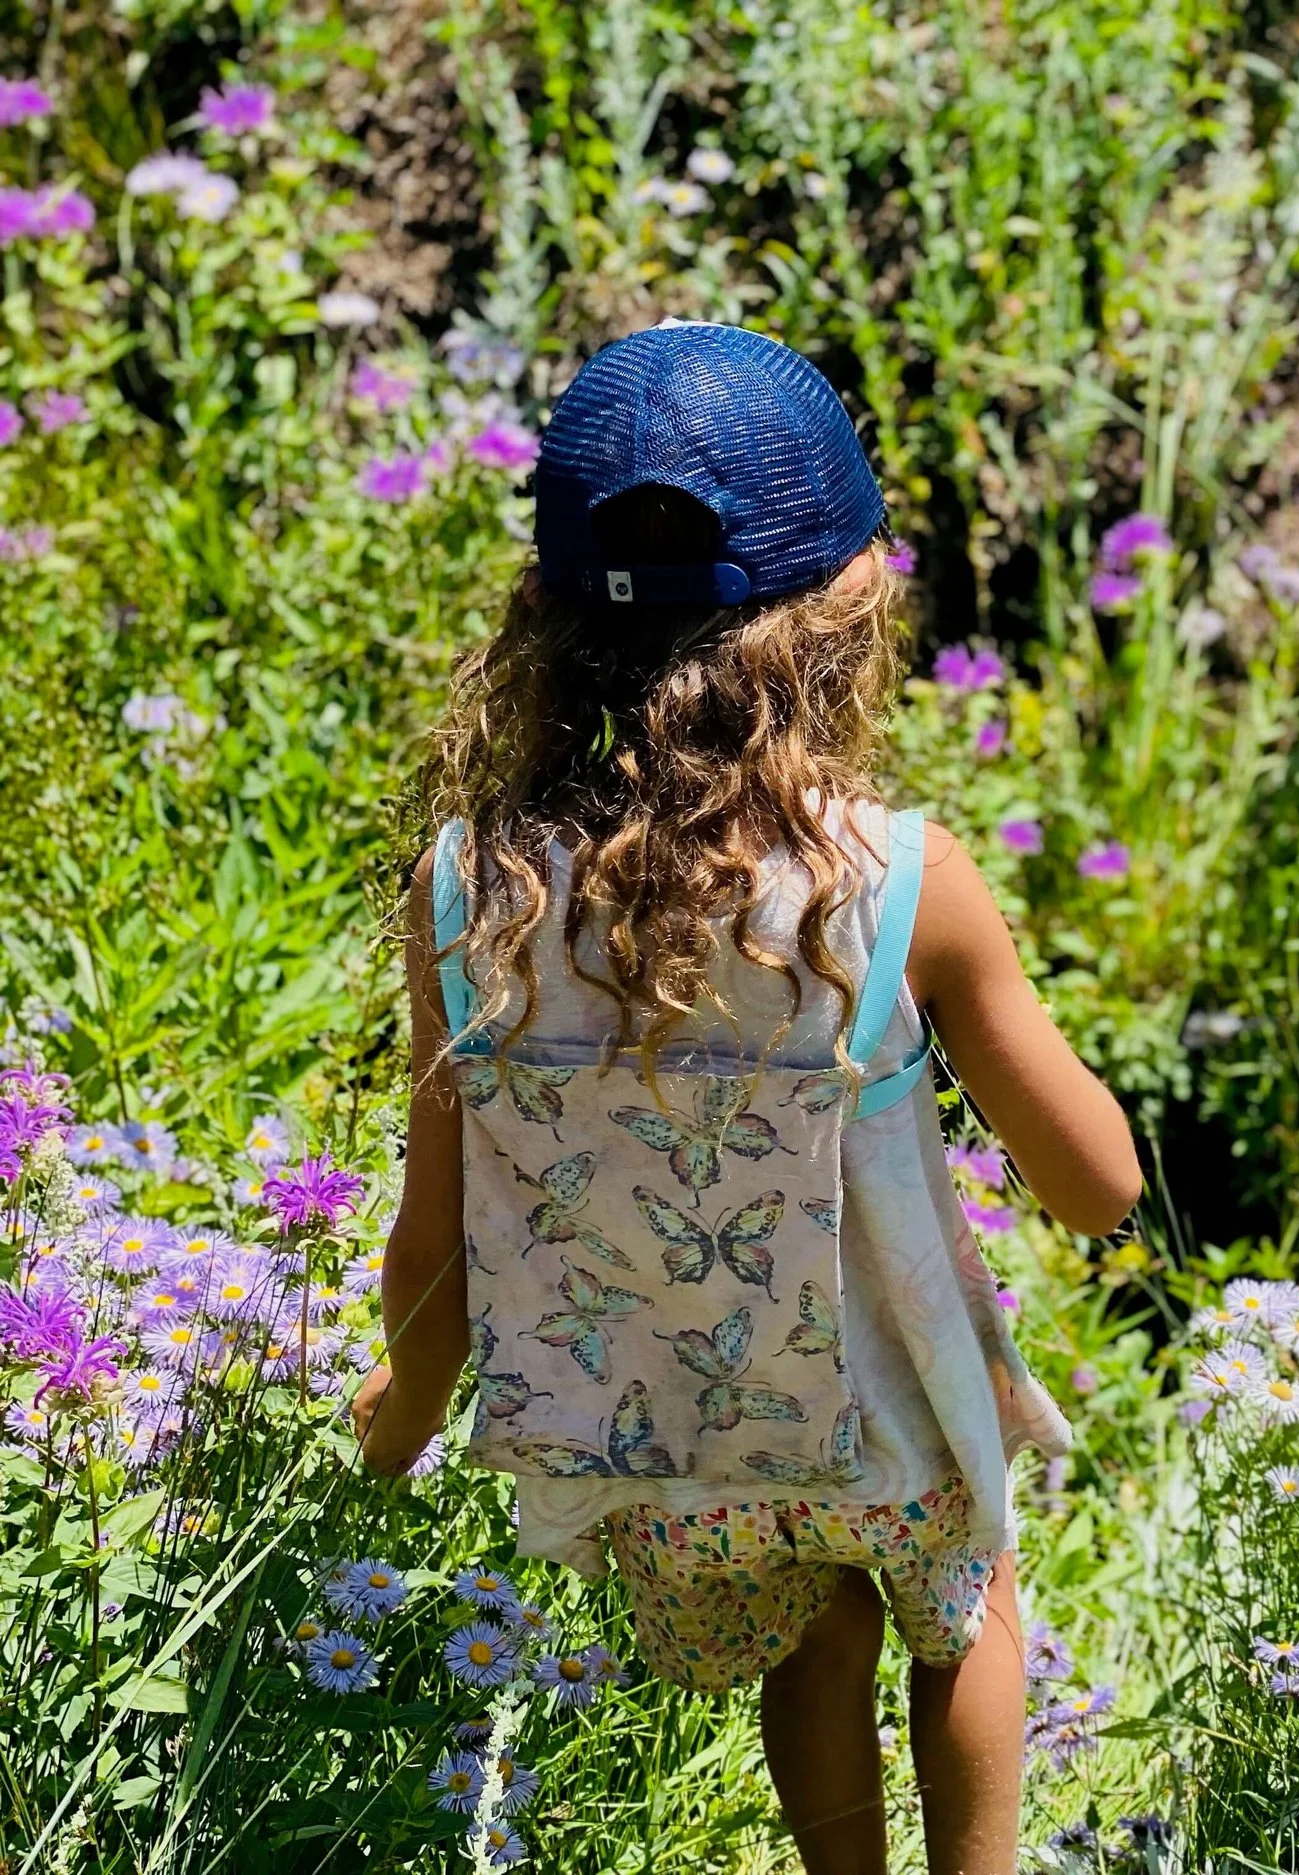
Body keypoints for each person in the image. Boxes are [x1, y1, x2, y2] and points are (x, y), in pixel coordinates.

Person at [349, 322, 1140, 1875]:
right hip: (888, 1407)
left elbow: (429, 1246)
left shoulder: (478, 893)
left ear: (552, 626)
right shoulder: (900, 883)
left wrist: (400, 1415)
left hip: (682, 1445)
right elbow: (1100, 1181)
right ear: (844, 617)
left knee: (815, 1630)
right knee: (961, 1600)